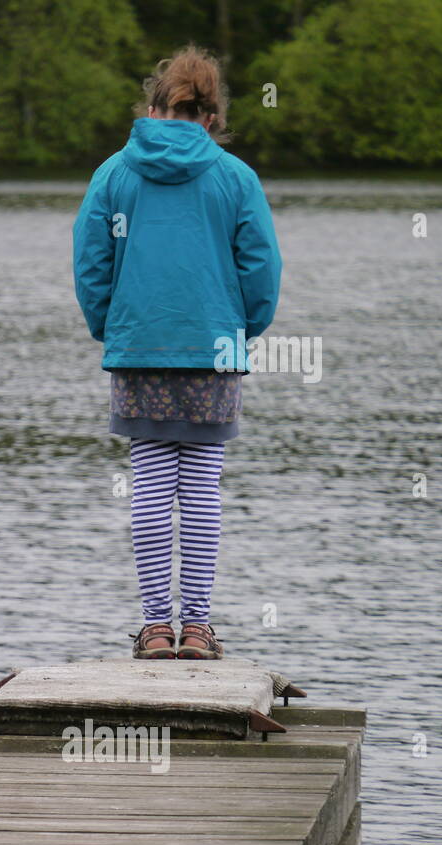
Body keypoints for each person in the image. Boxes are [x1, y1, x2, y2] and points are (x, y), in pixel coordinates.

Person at [73, 45, 281, 661]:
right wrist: (243, 328)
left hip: (139, 347)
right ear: (211, 118)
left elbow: (91, 264)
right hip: (215, 348)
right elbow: (261, 270)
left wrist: (110, 327)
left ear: (154, 107)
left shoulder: (114, 173)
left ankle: (155, 628)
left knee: (151, 488)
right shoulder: (236, 178)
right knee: (202, 490)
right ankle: (197, 627)